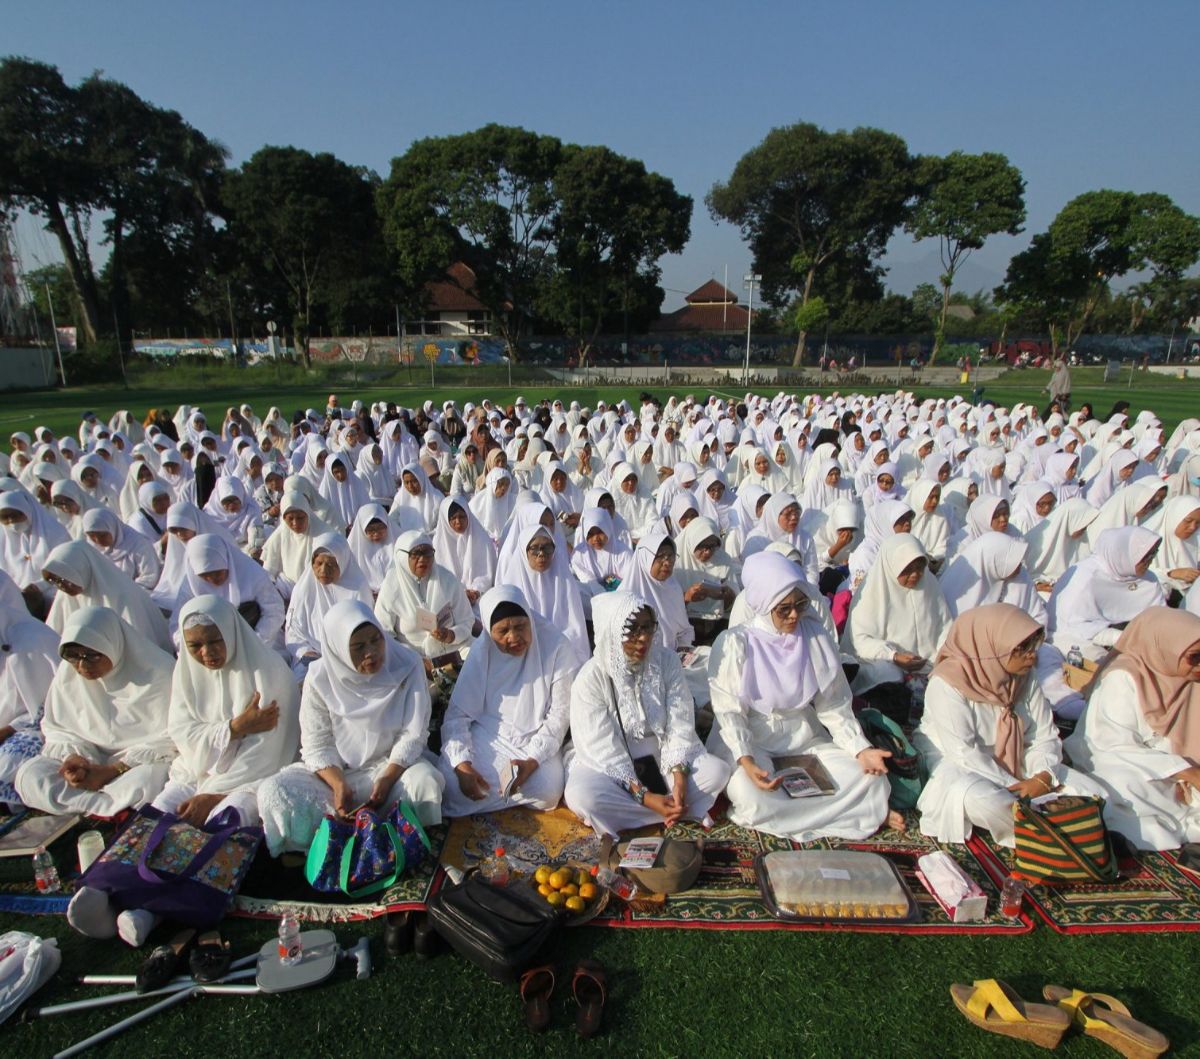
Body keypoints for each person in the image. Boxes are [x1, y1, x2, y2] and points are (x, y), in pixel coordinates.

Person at [707, 551, 892, 841]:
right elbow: (730, 712)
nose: (794, 615)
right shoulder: (735, 642)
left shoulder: (814, 635)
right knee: (748, 793)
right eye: (784, 609)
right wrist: (747, 760)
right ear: (764, 604)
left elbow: (834, 704)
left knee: (870, 780)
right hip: (757, 743)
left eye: (800, 605)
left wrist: (859, 748)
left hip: (806, 739)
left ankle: (852, 808)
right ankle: (852, 811)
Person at [259, 600, 444, 856]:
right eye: (358, 647)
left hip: (391, 767)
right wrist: (338, 785)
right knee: (274, 791)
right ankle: (322, 851)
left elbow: (413, 733)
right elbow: (317, 742)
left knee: (426, 782)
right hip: (336, 776)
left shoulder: (406, 664)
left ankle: (402, 847)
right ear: (338, 649)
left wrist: (387, 778)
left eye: (376, 640)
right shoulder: (320, 678)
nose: (372, 652)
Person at [913, 604, 1101, 847]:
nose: (1032, 656)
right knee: (982, 801)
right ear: (990, 646)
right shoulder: (947, 683)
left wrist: (1043, 776)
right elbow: (963, 752)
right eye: (1022, 648)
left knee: (1094, 793)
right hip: (961, 766)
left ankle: (1045, 826)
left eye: (1033, 647)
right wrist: (1016, 787)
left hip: (1020, 760)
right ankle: (1057, 832)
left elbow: (1044, 735)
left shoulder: (1025, 677)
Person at [563, 591, 730, 837]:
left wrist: (680, 777)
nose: (643, 639)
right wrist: (644, 796)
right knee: (583, 797)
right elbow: (600, 746)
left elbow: (680, 721)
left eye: (648, 627)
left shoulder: (667, 661)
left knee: (717, 773)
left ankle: (663, 807)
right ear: (612, 630)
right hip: (610, 763)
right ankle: (673, 810)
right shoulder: (590, 678)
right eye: (631, 630)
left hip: (663, 755)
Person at [156, 594, 299, 836]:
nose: (206, 652)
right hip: (195, 769)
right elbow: (182, 731)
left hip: (253, 778)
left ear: (231, 632)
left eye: (215, 641)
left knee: (227, 819)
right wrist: (234, 728)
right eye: (195, 646)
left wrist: (214, 795)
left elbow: (267, 752)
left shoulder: (268, 672)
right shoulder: (186, 673)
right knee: (159, 813)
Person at [15, 606, 175, 817]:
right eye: (72, 656)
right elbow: (59, 728)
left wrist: (113, 770)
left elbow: (173, 737)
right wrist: (75, 760)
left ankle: (94, 808)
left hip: (136, 765)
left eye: (92, 655)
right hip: (90, 760)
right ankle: (109, 809)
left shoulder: (160, 673)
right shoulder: (67, 677)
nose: (82, 665)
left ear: (112, 645)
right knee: (30, 775)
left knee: (150, 779)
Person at [1065, 608, 1200, 851]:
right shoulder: (1123, 677)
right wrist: (1183, 770)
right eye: (1195, 657)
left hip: (1179, 766)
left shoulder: (1192, 679)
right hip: (1120, 760)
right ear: (1168, 649)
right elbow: (1112, 745)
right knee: (1124, 784)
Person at [439, 586, 577, 817]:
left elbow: (559, 717)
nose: (514, 637)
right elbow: (457, 715)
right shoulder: (482, 651)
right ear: (488, 630)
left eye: (521, 626)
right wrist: (463, 765)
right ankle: (505, 795)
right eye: (503, 631)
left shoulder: (556, 646)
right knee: (450, 786)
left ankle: (490, 797)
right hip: (489, 735)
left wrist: (532, 762)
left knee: (548, 788)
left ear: (530, 620)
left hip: (536, 737)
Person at [841, 535, 952, 722]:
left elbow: (945, 626)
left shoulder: (929, 584)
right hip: (881, 661)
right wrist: (894, 656)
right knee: (889, 674)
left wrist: (942, 656)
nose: (915, 574)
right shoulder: (873, 590)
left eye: (919, 567)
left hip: (927, 662)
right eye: (907, 570)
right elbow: (860, 640)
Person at [1047, 526, 1165, 662]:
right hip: (1077, 639)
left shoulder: (1147, 580)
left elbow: (1158, 617)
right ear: (1124, 552)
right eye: (1145, 556)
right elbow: (1072, 627)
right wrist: (1119, 638)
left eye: (1153, 553)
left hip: (1130, 639)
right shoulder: (1086, 578)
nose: (1150, 560)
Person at [43, 539, 172, 652]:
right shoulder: (65, 596)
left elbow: (140, 645)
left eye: (65, 579)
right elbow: (53, 635)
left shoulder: (121, 596)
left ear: (81, 569)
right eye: (54, 581)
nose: (61, 586)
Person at [0, 572, 60, 808]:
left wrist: (8, 729)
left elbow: (53, 707)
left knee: (8, 762)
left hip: (35, 728)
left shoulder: (34, 639)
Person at [373, 530, 475, 666]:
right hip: (412, 658)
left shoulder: (447, 580)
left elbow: (467, 621)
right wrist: (413, 657)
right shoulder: (391, 588)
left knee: (477, 655)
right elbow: (384, 635)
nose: (423, 559)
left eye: (427, 553)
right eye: (416, 554)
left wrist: (451, 635)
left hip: (453, 649)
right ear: (402, 556)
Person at [283, 532, 373, 674]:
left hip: (348, 657)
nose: (323, 570)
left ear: (342, 563)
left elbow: (365, 632)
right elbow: (293, 629)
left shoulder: (358, 588)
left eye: (331, 565)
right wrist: (305, 652)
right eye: (319, 564)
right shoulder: (304, 587)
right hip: (310, 656)